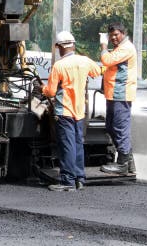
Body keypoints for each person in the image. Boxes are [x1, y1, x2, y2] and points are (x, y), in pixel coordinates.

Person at [39, 31, 102, 191]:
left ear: (60, 47)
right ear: (73, 45)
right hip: (79, 112)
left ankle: (67, 180)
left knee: (67, 145)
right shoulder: (85, 61)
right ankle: (80, 179)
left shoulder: (59, 66)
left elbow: (52, 92)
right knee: (78, 144)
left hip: (64, 111)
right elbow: (97, 72)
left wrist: (42, 89)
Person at [98, 22, 138, 175]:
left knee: (120, 128)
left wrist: (103, 46)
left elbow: (107, 60)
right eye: (111, 35)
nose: (113, 38)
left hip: (121, 94)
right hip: (114, 94)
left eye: (116, 34)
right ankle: (129, 162)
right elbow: (111, 66)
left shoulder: (126, 48)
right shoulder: (119, 48)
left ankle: (122, 164)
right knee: (111, 127)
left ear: (123, 33)